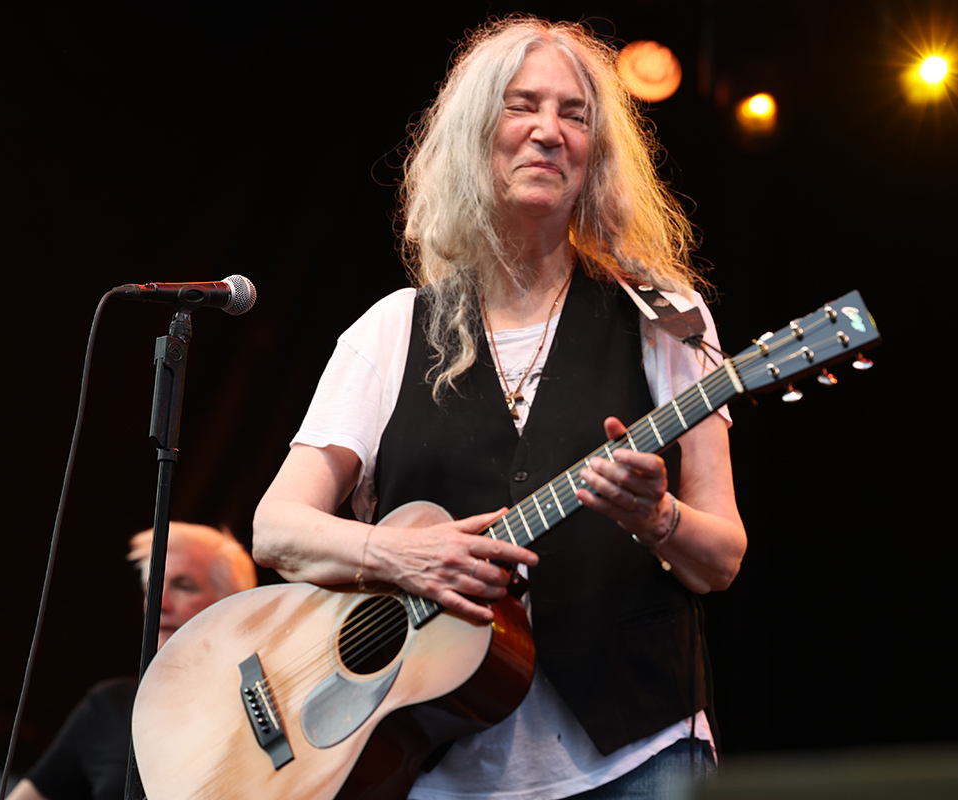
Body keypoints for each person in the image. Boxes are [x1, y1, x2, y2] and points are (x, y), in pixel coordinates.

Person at [253, 16, 746, 800]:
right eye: (523, 106)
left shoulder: (666, 316)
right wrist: (399, 555)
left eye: (575, 114)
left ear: (597, 155)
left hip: (636, 759)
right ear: (476, 136)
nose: (549, 132)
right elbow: (277, 528)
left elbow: (722, 558)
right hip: (440, 767)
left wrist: (660, 519)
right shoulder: (392, 329)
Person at [6, 523, 257, 800]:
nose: (159, 604)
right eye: (152, 588)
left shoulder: (262, 701)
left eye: (184, 586)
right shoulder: (110, 705)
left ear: (232, 604)